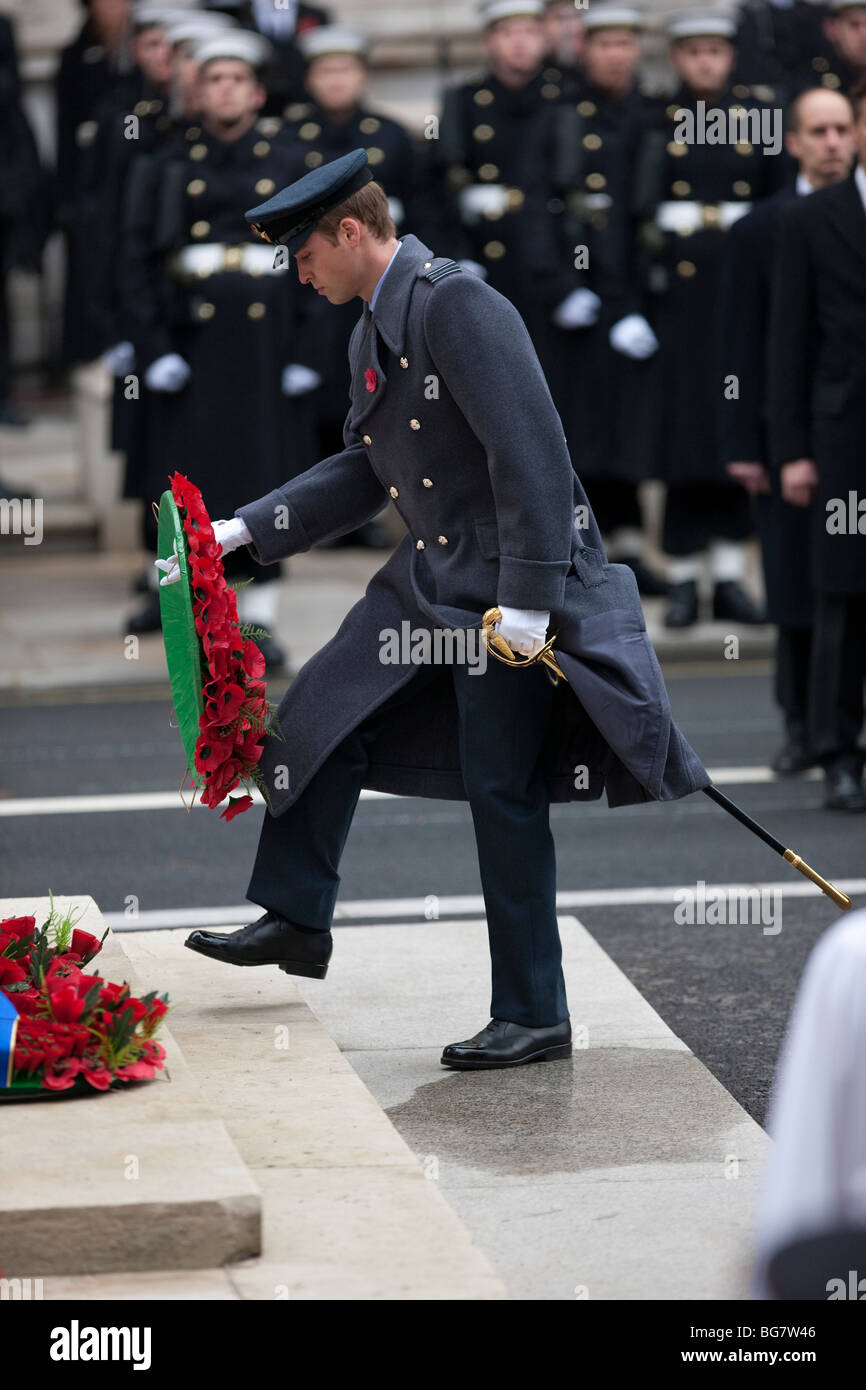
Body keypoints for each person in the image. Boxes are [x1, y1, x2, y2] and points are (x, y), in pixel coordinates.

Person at [158, 147, 711, 1070]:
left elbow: (532, 452)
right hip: (427, 584)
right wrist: (245, 531)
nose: (300, 276)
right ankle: (295, 917)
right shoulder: (371, 324)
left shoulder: (457, 302)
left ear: (349, 231)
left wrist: (531, 600)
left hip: (501, 595)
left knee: (504, 793)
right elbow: (364, 472)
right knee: (314, 718)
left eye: (304, 257)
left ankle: (535, 1011)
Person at [122, 27, 320, 665]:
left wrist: (310, 352)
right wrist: (153, 350)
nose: (225, 89)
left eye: (237, 78)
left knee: (265, 480)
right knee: (190, 481)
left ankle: (259, 624)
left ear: (258, 92)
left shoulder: (291, 159)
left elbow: (318, 259)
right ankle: (195, 617)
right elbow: (138, 260)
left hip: (268, 346)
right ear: (196, 92)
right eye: (213, 79)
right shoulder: (169, 163)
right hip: (195, 342)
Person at [719, 87, 856, 777]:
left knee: (839, 583)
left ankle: (831, 725)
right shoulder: (761, 228)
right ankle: (803, 725)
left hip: (845, 434)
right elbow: (747, 345)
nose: (832, 141)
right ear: (794, 141)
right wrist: (749, 443)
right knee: (798, 586)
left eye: (842, 129)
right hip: (788, 434)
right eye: (818, 131)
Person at [634, 9, 785, 628]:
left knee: (735, 427)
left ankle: (728, 574)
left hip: (740, 290)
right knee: (686, 435)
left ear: (730, 57)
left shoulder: (760, 118)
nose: (704, 62)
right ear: (676, 58)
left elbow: (779, 204)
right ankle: (685, 578)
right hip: (682, 299)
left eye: (714, 52)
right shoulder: (657, 120)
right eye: (692, 51)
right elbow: (636, 210)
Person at [524, 4, 669, 597]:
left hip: (634, 296)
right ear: (585, 49)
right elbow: (535, 205)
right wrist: (558, 286)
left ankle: (632, 551)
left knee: (629, 428)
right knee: (576, 431)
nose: (615, 54)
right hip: (575, 301)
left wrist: (642, 300)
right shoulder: (559, 118)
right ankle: (579, 552)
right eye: (604, 43)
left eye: (625, 44)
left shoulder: (654, 116)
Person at [767, 74, 866, 810]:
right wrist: (793, 450)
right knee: (844, 594)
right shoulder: (814, 217)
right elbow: (788, 342)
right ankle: (838, 750)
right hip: (845, 435)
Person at [285, 24, 422, 548]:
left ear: (362, 75)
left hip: (379, 267)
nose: (336, 80)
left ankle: (367, 516)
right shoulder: (294, 136)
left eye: (346, 68)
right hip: (322, 281)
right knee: (326, 389)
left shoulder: (388, 132)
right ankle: (331, 516)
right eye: (325, 69)